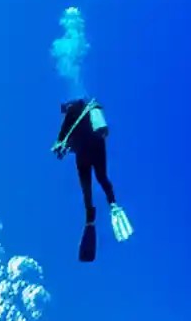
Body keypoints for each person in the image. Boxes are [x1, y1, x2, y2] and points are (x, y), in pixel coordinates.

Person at [52, 98, 132, 261]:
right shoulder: (90, 110)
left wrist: (58, 143)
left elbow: (63, 132)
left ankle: (90, 216)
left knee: (86, 185)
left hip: (83, 151)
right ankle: (113, 203)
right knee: (102, 177)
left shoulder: (71, 111)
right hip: (97, 144)